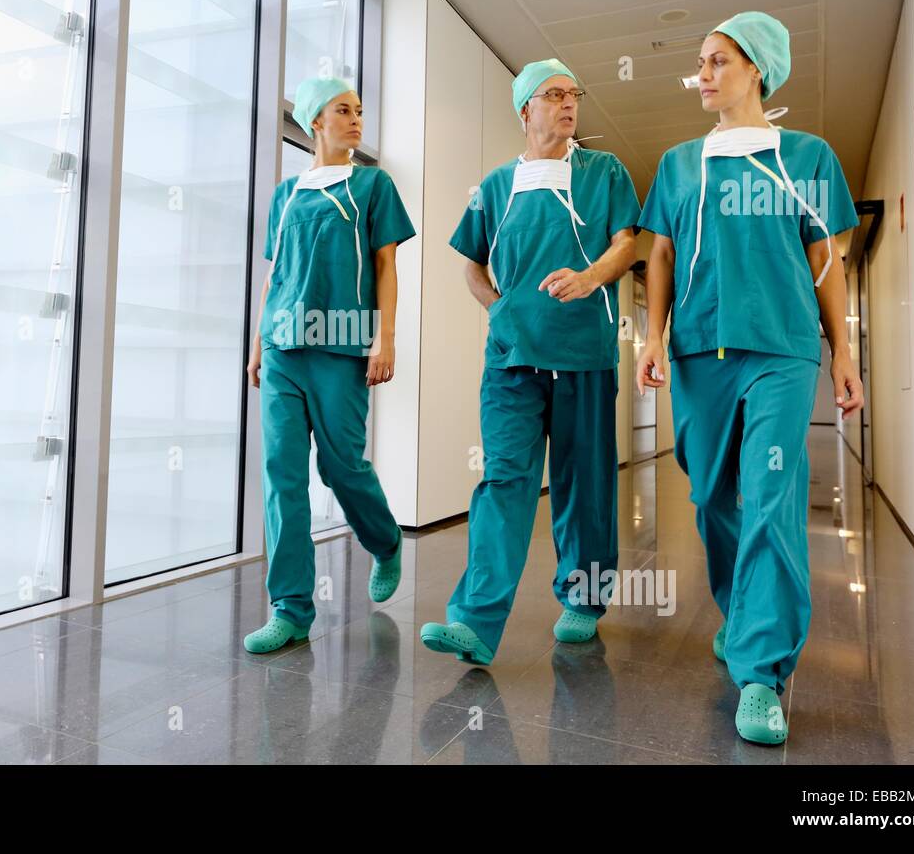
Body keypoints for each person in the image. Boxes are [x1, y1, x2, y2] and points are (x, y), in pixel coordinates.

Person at [634, 11, 864, 744]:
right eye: (699, 63)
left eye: (717, 61)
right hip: (701, 351)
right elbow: (661, 257)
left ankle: (762, 671)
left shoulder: (809, 155)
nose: (702, 74)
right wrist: (653, 335)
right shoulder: (677, 164)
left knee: (769, 494)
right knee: (710, 500)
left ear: (757, 68)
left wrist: (845, 352)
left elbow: (828, 263)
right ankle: (742, 617)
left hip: (782, 348)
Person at [419, 59, 639, 665]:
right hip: (511, 360)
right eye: (554, 95)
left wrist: (591, 277)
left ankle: (583, 599)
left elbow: (627, 243)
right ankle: (474, 621)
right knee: (504, 480)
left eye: (575, 93)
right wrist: (500, 311)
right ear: (526, 110)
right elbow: (471, 263)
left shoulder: (605, 171)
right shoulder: (493, 186)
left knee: (584, 483)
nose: (569, 104)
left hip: (584, 354)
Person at [243, 76, 416, 654]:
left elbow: (386, 267)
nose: (356, 119)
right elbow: (275, 276)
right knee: (282, 474)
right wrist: (256, 342)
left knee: (341, 467)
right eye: (344, 111)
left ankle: (385, 539)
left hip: (343, 343)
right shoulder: (285, 194)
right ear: (316, 121)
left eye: (360, 111)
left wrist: (384, 338)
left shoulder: (372, 185)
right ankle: (290, 609)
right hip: (283, 347)